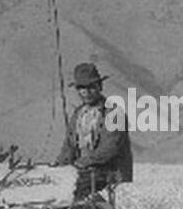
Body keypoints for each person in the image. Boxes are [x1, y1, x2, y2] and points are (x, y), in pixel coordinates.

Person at [55, 62, 133, 199]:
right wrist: (60, 166)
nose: (86, 92)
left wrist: (84, 162)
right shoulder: (78, 114)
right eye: (82, 88)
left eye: (91, 87)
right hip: (82, 170)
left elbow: (110, 147)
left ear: (100, 87)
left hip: (106, 172)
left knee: (72, 188)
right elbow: (69, 145)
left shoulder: (114, 113)